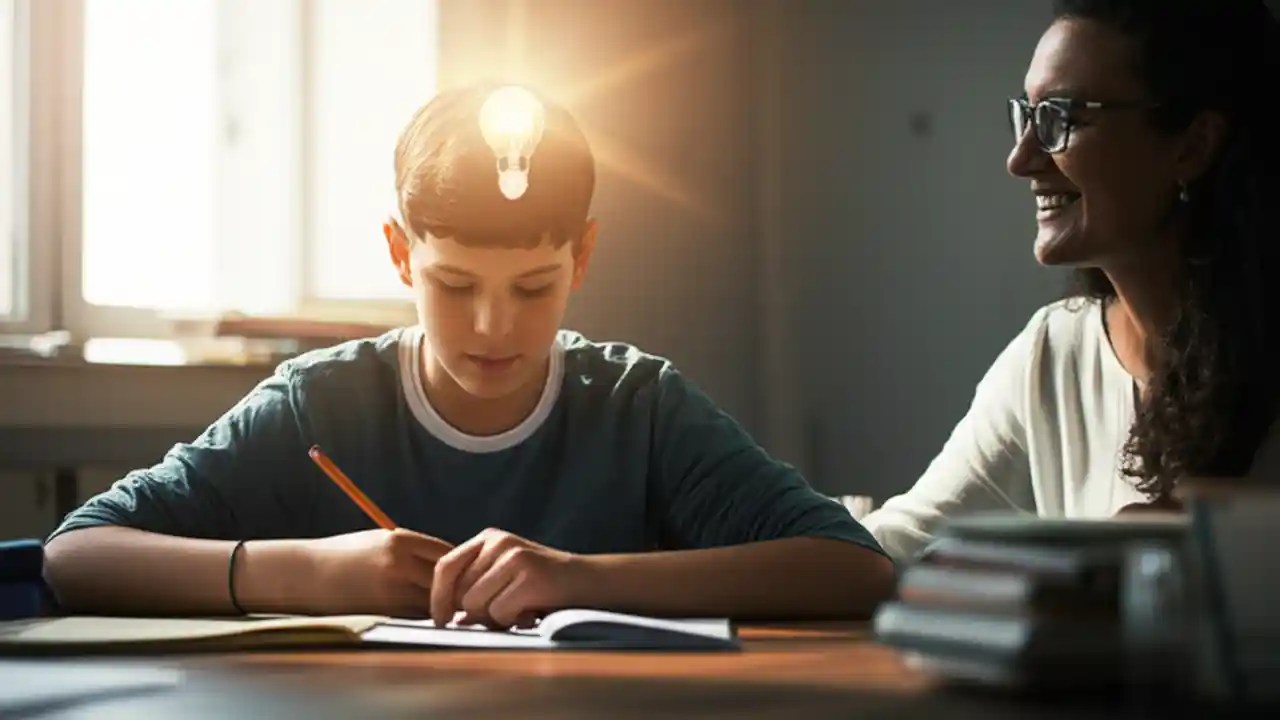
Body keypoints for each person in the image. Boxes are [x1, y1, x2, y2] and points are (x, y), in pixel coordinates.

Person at [42, 83, 893, 626]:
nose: (493, 327)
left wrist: (580, 580)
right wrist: (309, 571)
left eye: (532, 289)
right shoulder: (321, 405)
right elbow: (76, 555)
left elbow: (854, 570)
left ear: (583, 257)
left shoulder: (640, 410)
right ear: (400, 254)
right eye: (454, 285)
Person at [862, 0, 1280, 561]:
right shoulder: (1055, 354)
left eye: (1063, 117)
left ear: (1194, 144)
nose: (1021, 157)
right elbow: (893, 546)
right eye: (1027, 115)